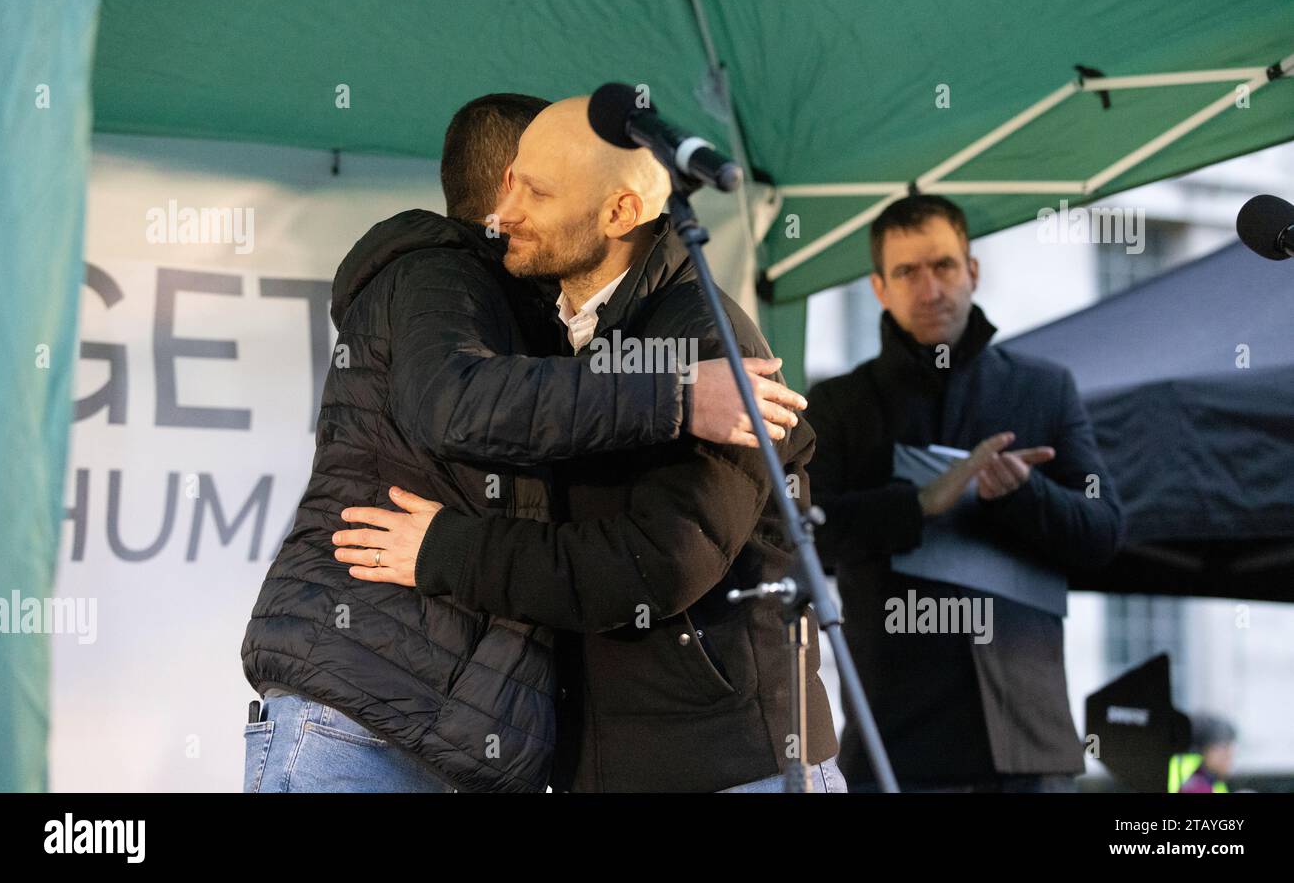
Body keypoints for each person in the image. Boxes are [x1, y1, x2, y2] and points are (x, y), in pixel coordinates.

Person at [239, 93, 805, 793]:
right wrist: (675, 395)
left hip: (707, 762)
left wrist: (446, 550)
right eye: (512, 183)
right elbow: (455, 403)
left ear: (618, 210)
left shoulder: (686, 336)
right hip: (365, 711)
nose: (510, 209)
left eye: (536, 188)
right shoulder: (441, 273)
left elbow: (657, 562)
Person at [804, 194, 1124, 792]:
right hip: (895, 736)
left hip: (1025, 737)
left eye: (943, 266)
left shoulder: (1042, 389)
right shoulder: (841, 403)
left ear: (972, 271)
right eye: (907, 272)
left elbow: (1104, 532)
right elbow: (801, 534)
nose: (930, 289)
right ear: (879, 288)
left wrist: (1025, 496)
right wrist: (917, 504)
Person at [1171, 714, 1237, 793]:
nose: (1229, 755)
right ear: (1204, 750)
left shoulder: (1211, 783)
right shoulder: (1195, 787)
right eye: (1224, 747)